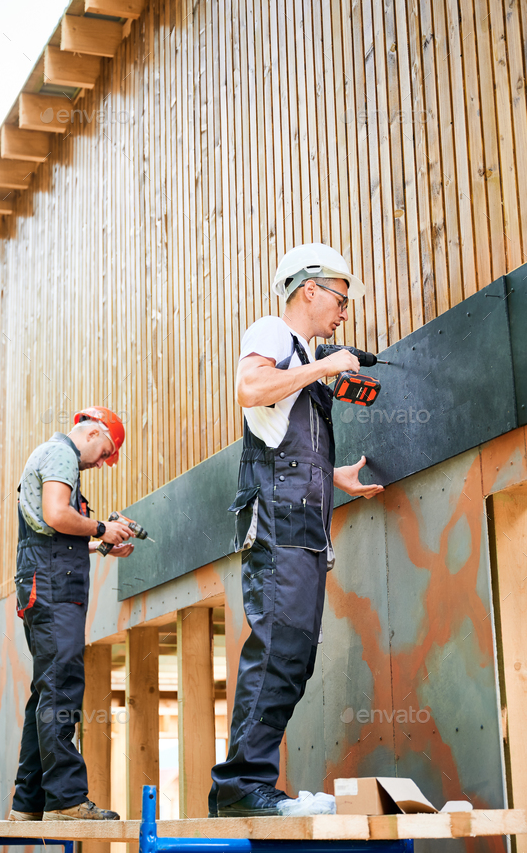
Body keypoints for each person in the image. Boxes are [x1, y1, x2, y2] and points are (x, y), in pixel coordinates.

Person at [209, 244, 384, 817]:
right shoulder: (273, 333)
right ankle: (240, 787)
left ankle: (249, 784)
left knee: (294, 656)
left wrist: (337, 481)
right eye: (340, 297)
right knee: (278, 649)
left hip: (304, 525)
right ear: (309, 289)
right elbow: (249, 391)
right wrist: (326, 366)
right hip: (280, 525)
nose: (343, 311)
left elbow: (282, 441)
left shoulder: (301, 356)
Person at [9, 407, 135, 822]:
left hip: (43, 581)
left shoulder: (48, 457)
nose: (102, 462)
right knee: (62, 687)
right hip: (51, 587)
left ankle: (27, 803)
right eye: (106, 451)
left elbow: (55, 534)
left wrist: (103, 543)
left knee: (46, 690)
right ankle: (65, 800)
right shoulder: (61, 454)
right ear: (94, 431)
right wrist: (101, 528)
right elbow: (58, 515)